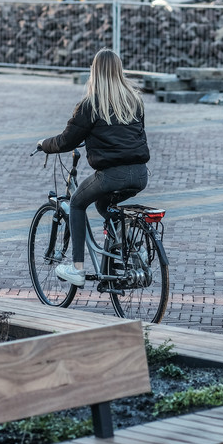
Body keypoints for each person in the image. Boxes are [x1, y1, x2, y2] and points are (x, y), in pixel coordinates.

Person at [36, 49, 150, 286]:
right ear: (119, 71)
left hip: (112, 175)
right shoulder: (135, 101)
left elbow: (66, 141)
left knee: (77, 203)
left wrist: (44, 145)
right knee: (103, 204)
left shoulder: (90, 105)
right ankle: (127, 246)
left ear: (94, 72)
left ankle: (77, 269)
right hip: (140, 174)